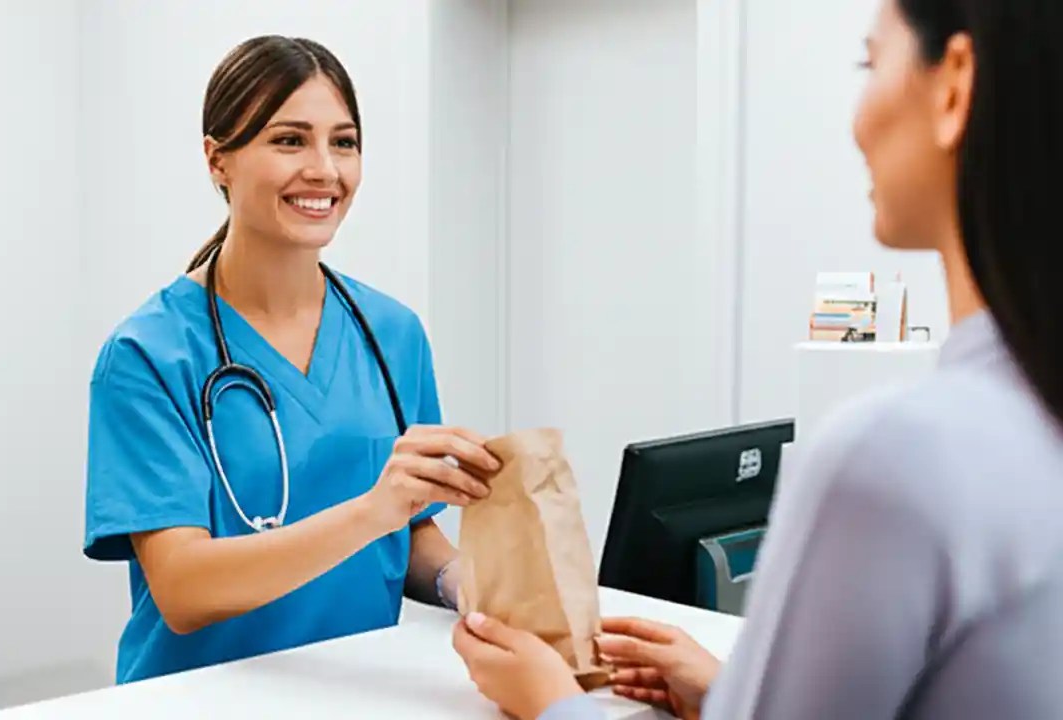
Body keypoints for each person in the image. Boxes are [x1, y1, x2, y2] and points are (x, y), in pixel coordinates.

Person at [452, 0, 1063, 717]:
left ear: (954, 85)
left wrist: (552, 701)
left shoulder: (894, 454)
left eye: (871, 63)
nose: (856, 120)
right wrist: (737, 697)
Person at [83, 35, 498, 684]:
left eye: (344, 142)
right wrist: (372, 510)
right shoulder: (148, 356)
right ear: (218, 160)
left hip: (356, 689)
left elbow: (409, 533)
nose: (325, 170)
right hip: (200, 700)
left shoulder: (393, 333)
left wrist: (459, 582)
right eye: (289, 140)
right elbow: (184, 589)